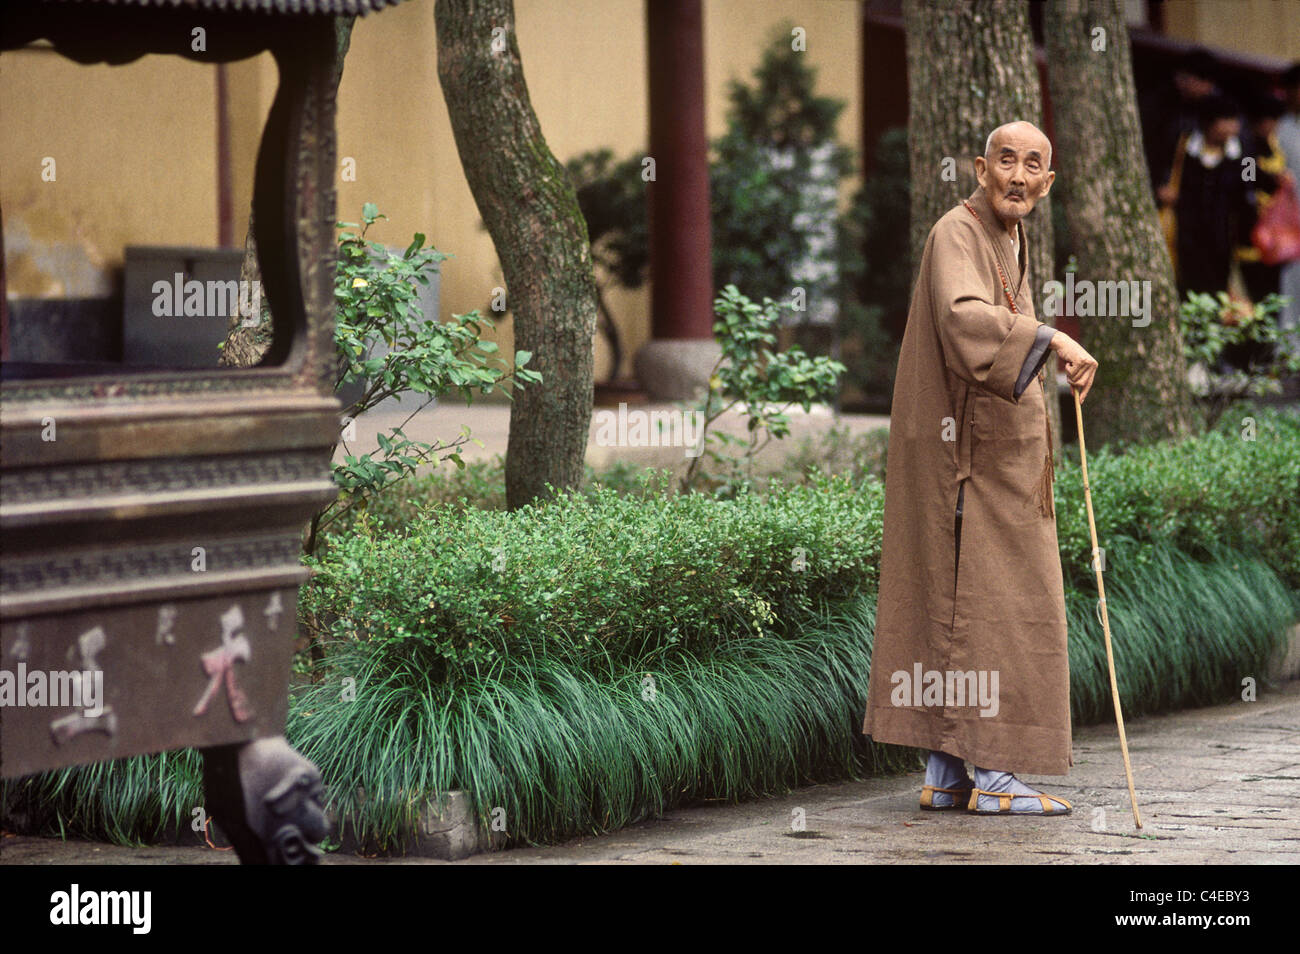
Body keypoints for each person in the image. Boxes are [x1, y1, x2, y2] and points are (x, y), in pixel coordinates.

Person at [861, 121, 1098, 815]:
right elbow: (966, 322)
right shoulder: (955, 233)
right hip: (965, 463)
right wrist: (1052, 339)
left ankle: (946, 770)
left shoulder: (1009, 236)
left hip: (993, 461)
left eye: (1034, 165)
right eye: (1006, 161)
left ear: (1047, 183)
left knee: (958, 607)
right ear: (980, 167)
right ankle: (992, 775)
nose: (1018, 175)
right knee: (988, 607)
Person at [1163, 94, 1247, 297]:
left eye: (1234, 121)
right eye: (1225, 120)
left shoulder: (1243, 153)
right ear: (1209, 122)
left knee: (1216, 290)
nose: (1231, 127)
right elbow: (1165, 173)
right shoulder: (1183, 146)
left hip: (1221, 238)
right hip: (1184, 234)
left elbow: (1248, 186)